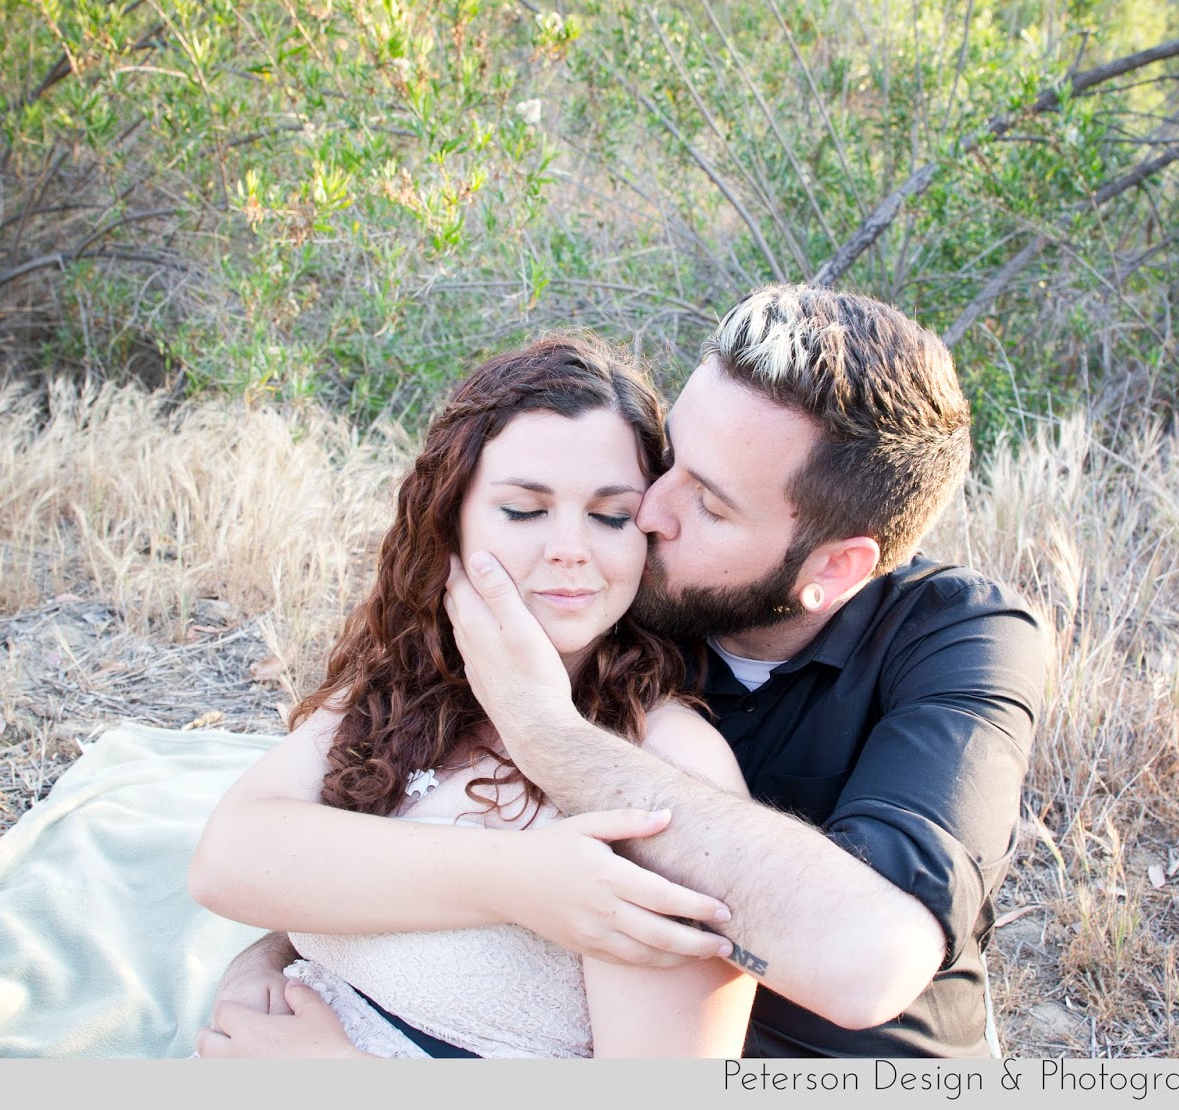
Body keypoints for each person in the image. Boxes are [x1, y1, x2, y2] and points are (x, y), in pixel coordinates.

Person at [203, 284, 1048, 1058]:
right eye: (667, 458)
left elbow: (864, 962)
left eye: (708, 502)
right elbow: (300, 838)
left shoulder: (956, 640)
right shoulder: (627, 599)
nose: (647, 509)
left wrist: (540, 725)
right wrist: (286, 948)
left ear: (832, 567)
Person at [188, 336, 758, 1058]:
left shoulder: (666, 765)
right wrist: (267, 957)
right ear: (450, 519)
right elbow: (228, 859)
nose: (571, 548)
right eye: (523, 510)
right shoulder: (408, 687)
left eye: (611, 516)